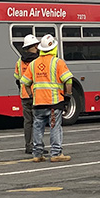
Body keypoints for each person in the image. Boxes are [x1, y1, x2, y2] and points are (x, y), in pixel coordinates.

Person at [20, 34, 73, 163]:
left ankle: (37, 154)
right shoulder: (58, 62)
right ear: (54, 48)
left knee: (38, 128)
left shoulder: (33, 64)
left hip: (38, 103)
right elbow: (68, 80)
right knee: (55, 127)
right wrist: (68, 96)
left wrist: (32, 95)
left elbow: (25, 82)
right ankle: (56, 153)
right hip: (54, 103)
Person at [14, 34, 41, 155]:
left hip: (24, 95)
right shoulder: (38, 60)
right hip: (36, 95)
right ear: (35, 46)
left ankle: (28, 145)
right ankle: (37, 146)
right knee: (38, 122)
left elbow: (17, 79)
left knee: (28, 122)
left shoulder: (19, 61)